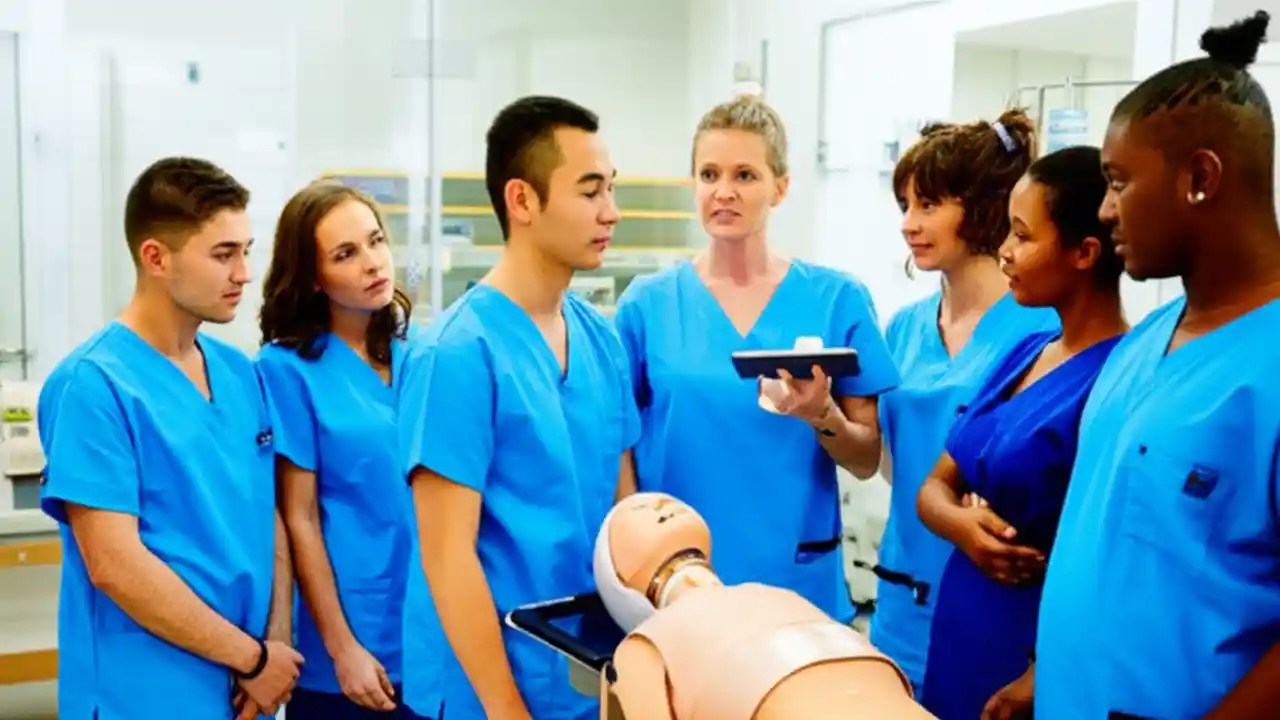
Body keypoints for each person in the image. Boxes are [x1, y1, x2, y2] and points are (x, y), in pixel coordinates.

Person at [1036, 11, 1280, 719]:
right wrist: (1047, 674)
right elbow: (1110, 543)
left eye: (1118, 182)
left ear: (1199, 178)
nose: (1106, 211)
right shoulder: (1145, 341)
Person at [613, 94, 900, 624]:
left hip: (794, 578)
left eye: (745, 175)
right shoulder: (647, 305)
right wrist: (636, 555)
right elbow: (618, 449)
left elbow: (864, 460)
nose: (724, 192)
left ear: (781, 187)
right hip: (677, 580)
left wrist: (821, 415)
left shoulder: (836, 300)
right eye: (709, 174)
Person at [397, 95, 640, 720]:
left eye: (610, 189)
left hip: (587, 673)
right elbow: (448, 558)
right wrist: (508, 710)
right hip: (489, 690)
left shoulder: (599, 339)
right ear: (523, 201)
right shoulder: (456, 353)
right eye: (590, 192)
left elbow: (625, 518)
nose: (611, 212)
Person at [36, 157, 301, 720]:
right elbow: (114, 563)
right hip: (142, 692)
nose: (244, 274)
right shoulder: (94, 384)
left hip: (244, 687)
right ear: (156, 257)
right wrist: (252, 659)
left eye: (246, 250)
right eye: (223, 254)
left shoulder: (240, 373)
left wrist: (274, 648)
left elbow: (266, 511)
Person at [912, 145, 1127, 720]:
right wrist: (963, 525)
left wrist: (1043, 669)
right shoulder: (1025, 352)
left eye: (1023, 236)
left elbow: (1113, 553)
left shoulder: (1120, 375)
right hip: (963, 613)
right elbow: (932, 488)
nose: (1004, 252)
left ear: (1084, 252)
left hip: (1035, 640)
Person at [871, 109, 1059, 691]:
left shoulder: (1043, 332)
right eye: (905, 205)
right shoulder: (903, 327)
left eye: (928, 205)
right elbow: (891, 462)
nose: (909, 224)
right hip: (898, 593)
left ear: (981, 208)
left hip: (992, 594)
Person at [256, 181, 415, 718]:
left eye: (375, 241)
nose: (373, 263)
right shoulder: (288, 370)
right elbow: (298, 518)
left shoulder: (418, 358)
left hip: (427, 632)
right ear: (314, 278)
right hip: (349, 643)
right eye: (346, 254)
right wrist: (342, 649)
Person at [594, 492, 935, 719]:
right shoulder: (647, 643)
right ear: (620, 584)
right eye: (634, 514)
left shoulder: (774, 595)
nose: (658, 506)